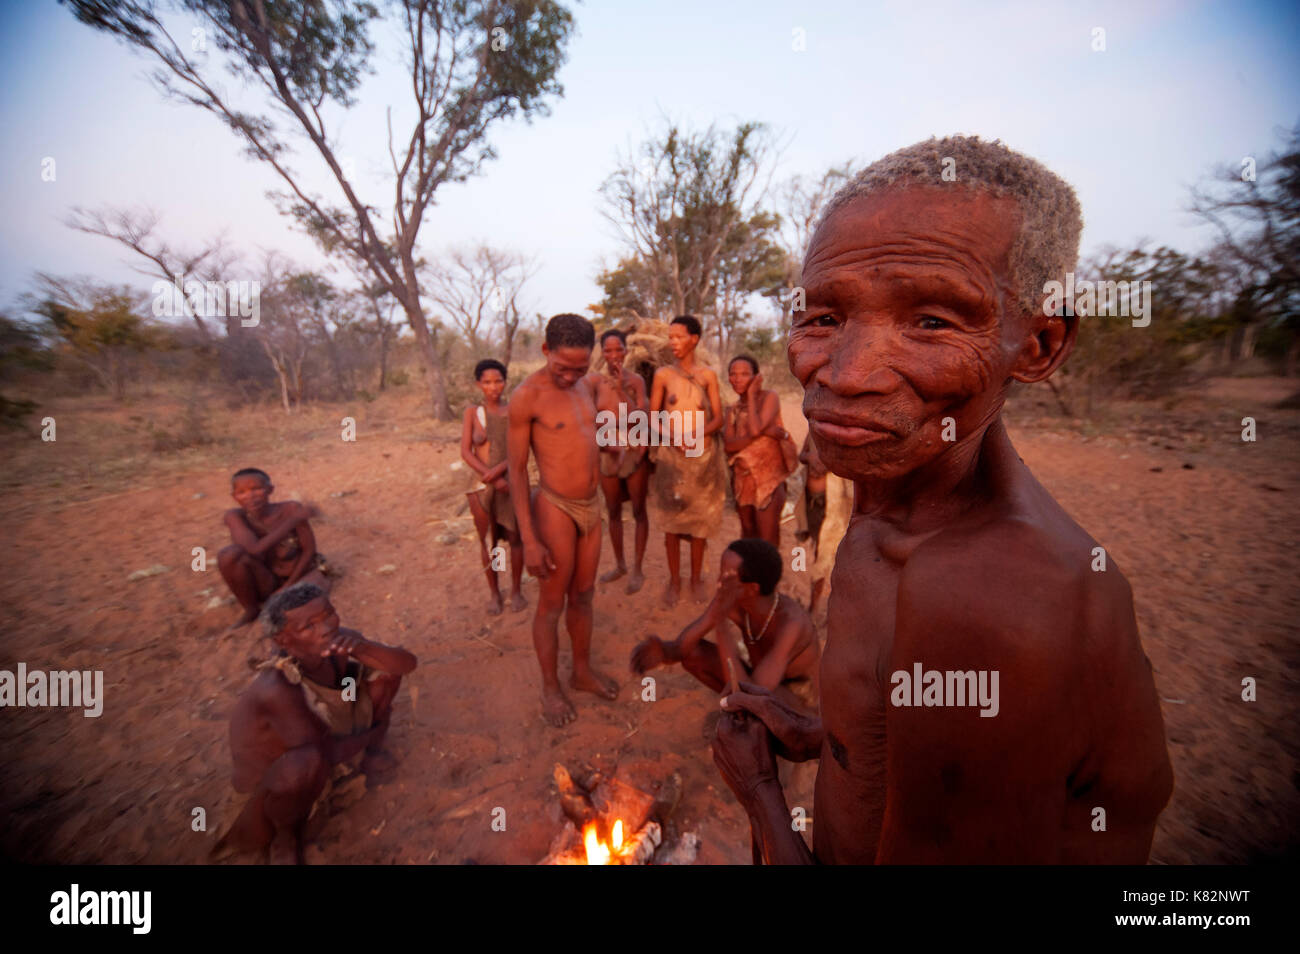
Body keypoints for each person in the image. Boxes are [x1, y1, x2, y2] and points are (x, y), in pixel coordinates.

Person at [712, 135, 1174, 864]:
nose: (847, 373)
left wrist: (760, 793)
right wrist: (818, 734)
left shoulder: (992, 599)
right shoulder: (889, 514)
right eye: (825, 318)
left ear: (1040, 345)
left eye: (931, 321)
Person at [213, 582, 417, 864]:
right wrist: (374, 733)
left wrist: (364, 648)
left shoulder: (341, 642)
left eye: (328, 614)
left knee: (384, 672)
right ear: (283, 640)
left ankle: (368, 757)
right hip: (268, 800)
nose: (326, 628)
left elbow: (406, 664)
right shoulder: (277, 686)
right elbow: (323, 753)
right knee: (304, 762)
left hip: (325, 759)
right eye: (309, 626)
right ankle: (285, 838)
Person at [507, 314, 620, 727]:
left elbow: (604, 429)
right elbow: (517, 471)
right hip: (555, 506)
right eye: (562, 367)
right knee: (552, 603)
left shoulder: (585, 386)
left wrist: (613, 445)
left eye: (579, 367)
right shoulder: (527, 397)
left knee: (585, 594)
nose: (570, 375)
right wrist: (529, 539)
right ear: (544, 351)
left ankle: (582, 671)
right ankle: (551, 687)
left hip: (592, 506)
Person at [630, 538, 818, 713]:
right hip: (760, 684)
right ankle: (739, 713)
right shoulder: (733, 599)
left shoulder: (791, 624)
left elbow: (751, 694)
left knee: (751, 702)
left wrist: (720, 623)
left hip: (799, 701)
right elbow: (683, 648)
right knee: (694, 654)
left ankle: (748, 720)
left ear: (752, 589)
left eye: (727, 577)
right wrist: (663, 651)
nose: (719, 582)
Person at [648, 315, 727, 606]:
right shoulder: (663, 376)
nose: (673, 343)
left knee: (699, 523)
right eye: (670, 337)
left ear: (694, 339)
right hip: (672, 460)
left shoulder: (707, 376)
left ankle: (695, 580)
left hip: (702, 460)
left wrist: (694, 433)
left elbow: (718, 418)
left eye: (679, 337)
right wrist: (673, 437)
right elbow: (652, 416)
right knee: (671, 522)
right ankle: (674, 580)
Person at [218, 467, 329, 630]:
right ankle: (251, 609)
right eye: (242, 492)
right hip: (266, 580)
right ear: (234, 497)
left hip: (297, 575)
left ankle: (280, 600)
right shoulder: (235, 517)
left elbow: (309, 551)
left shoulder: (290, 508)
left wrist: (288, 586)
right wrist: (295, 520)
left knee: (304, 604)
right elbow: (254, 550)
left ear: (270, 490)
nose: (250, 496)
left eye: (257, 489)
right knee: (229, 555)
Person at [585, 329, 650, 595]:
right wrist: (606, 440)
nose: (613, 356)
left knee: (638, 510)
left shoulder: (636, 381)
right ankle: (620, 564)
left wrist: (623, 390)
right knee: (612, 511)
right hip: (606, 453)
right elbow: (589, 419)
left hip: (634, 450)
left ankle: (637, 568)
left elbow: (642, 418)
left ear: (626, 351)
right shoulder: (594, 382)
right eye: (608, 350)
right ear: (601, 353)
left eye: (618, 350)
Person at [459, 358, 525, 615]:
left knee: (515, 538)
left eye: (498, 381)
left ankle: (517, 589)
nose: (493, 387)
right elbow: (466, 451)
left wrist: (501, 472)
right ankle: (495, 593)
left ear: (505, 382)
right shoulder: (473, 413)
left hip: (510, 483)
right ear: (478, 384)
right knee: (492, 542)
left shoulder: (514, 411)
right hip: (482, 486)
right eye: (487, 382)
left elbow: (520, 449)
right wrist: (491, 476)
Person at [722, 356, 797, 551]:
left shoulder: (769, 397)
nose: (738, 379)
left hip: (768, 479)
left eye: (745, 374)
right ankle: (751, 579)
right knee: (747, 532)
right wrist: (766, 432)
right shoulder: (732, 410)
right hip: (742, 480)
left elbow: (754, 429)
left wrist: (753, 393)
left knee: (767, 537)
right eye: (733, 374)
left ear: (756, 377)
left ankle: (769, 580)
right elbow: (728, 446)